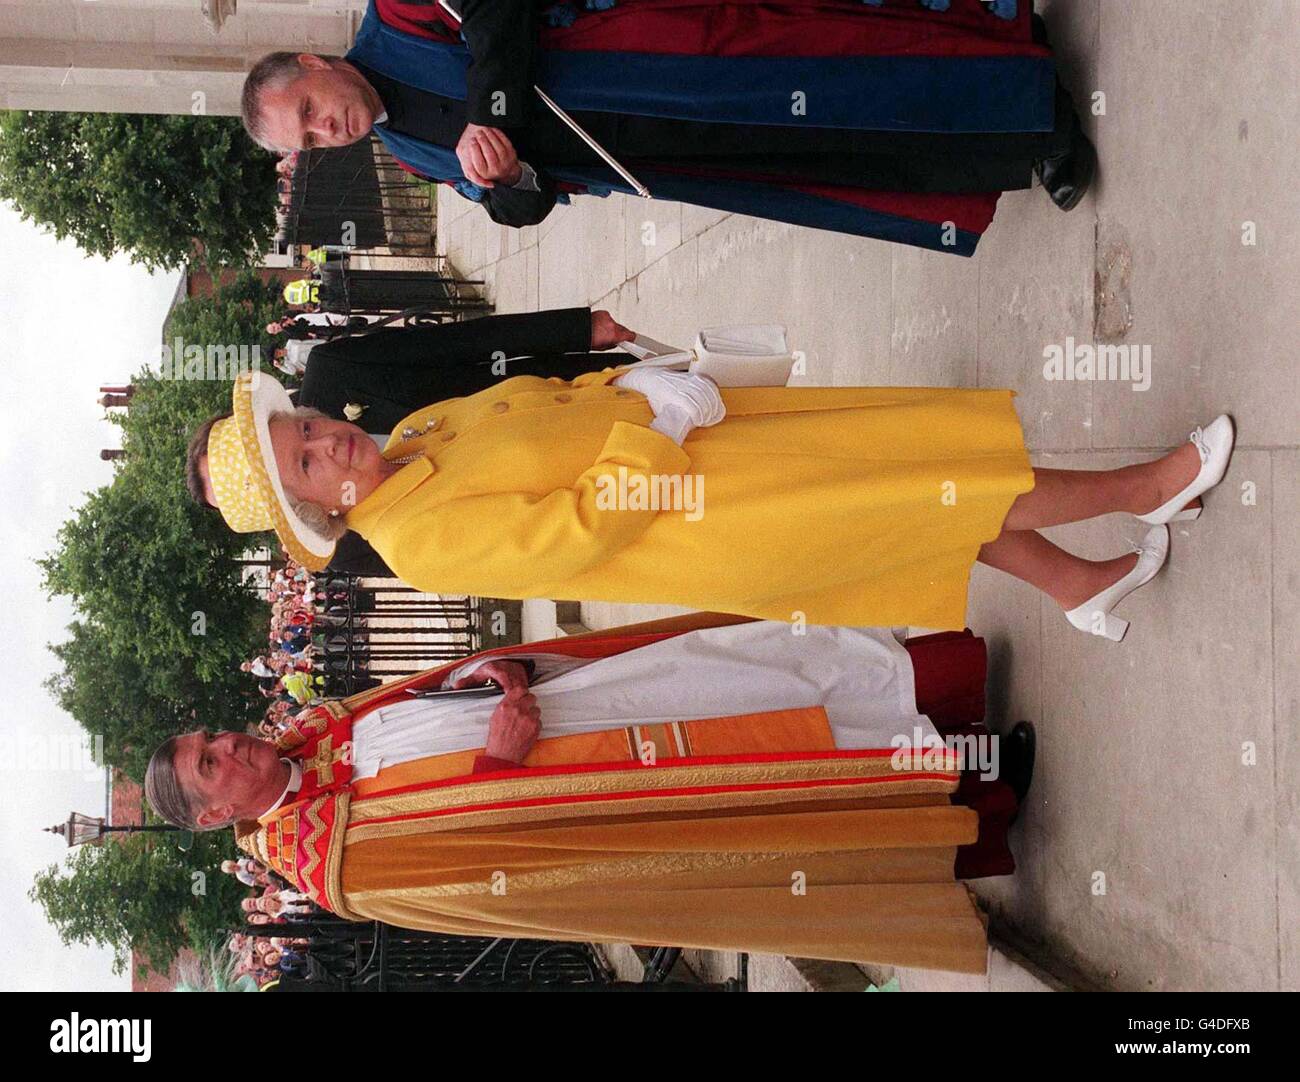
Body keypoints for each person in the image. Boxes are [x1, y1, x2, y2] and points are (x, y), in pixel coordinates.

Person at [146, 612, 1030, 971]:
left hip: (584, 706)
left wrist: (495, 673)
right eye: (212, 765)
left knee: (754, 685)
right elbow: (471, 881)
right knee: (773, 779)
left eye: (211, 738)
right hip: (590, 799)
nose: (228, 743)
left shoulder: (315, 730)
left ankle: (945, 702)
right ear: (218, 815)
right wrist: (498, 764)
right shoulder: (324, 866)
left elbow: (424, 697)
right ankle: (977, 780)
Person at [193, 358, 1234, 641]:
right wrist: (653, 422)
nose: (328, 435)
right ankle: (1150, 485)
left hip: (720, 450)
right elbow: (577, 532)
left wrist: (642, 382)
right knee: (931, 492)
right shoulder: (417, 540)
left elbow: (547, 406)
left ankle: (1079, 585)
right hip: (717, 511)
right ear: (318, 506)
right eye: (308, 458)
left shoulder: (416, 432)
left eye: (309, 423)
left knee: (916, 495)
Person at [239, 0, 1095, 254]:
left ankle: (1037, 102)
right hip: (655, 152)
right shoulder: (402, 149)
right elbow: (517, 203)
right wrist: (507, 184)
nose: (328, 130)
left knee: (839, 66)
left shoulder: (394, 13)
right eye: (310, 143)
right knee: (833, 149)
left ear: (315, 61)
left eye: (310, 113)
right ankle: (1006, 148)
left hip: (657, 58)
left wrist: (491, 113)